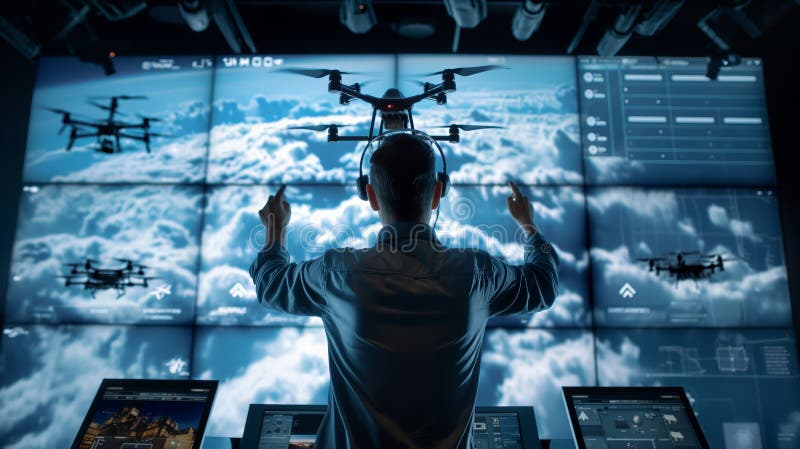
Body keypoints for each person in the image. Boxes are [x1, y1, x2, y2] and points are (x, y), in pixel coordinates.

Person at [250, 133, 559, 449]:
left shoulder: (337, 272)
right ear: (438, 193)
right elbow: (543, 285)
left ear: (370, 196)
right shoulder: (477, 273)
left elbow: (271, 284)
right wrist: (529, 228)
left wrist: (276, 232)